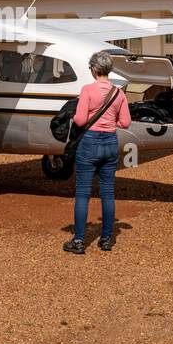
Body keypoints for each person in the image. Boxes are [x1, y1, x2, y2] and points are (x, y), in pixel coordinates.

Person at [64, 50, 131, 254]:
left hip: (90, 142)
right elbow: (126, 122)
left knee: (83, 192)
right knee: (108, 192)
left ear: (94, 70)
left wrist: (74, 116)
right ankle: (107, 239)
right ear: (108, 70)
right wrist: (114, 122)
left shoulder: (87, 90)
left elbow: (81, 120)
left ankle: (78, 241)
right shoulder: (119, 93)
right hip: (110, 142)